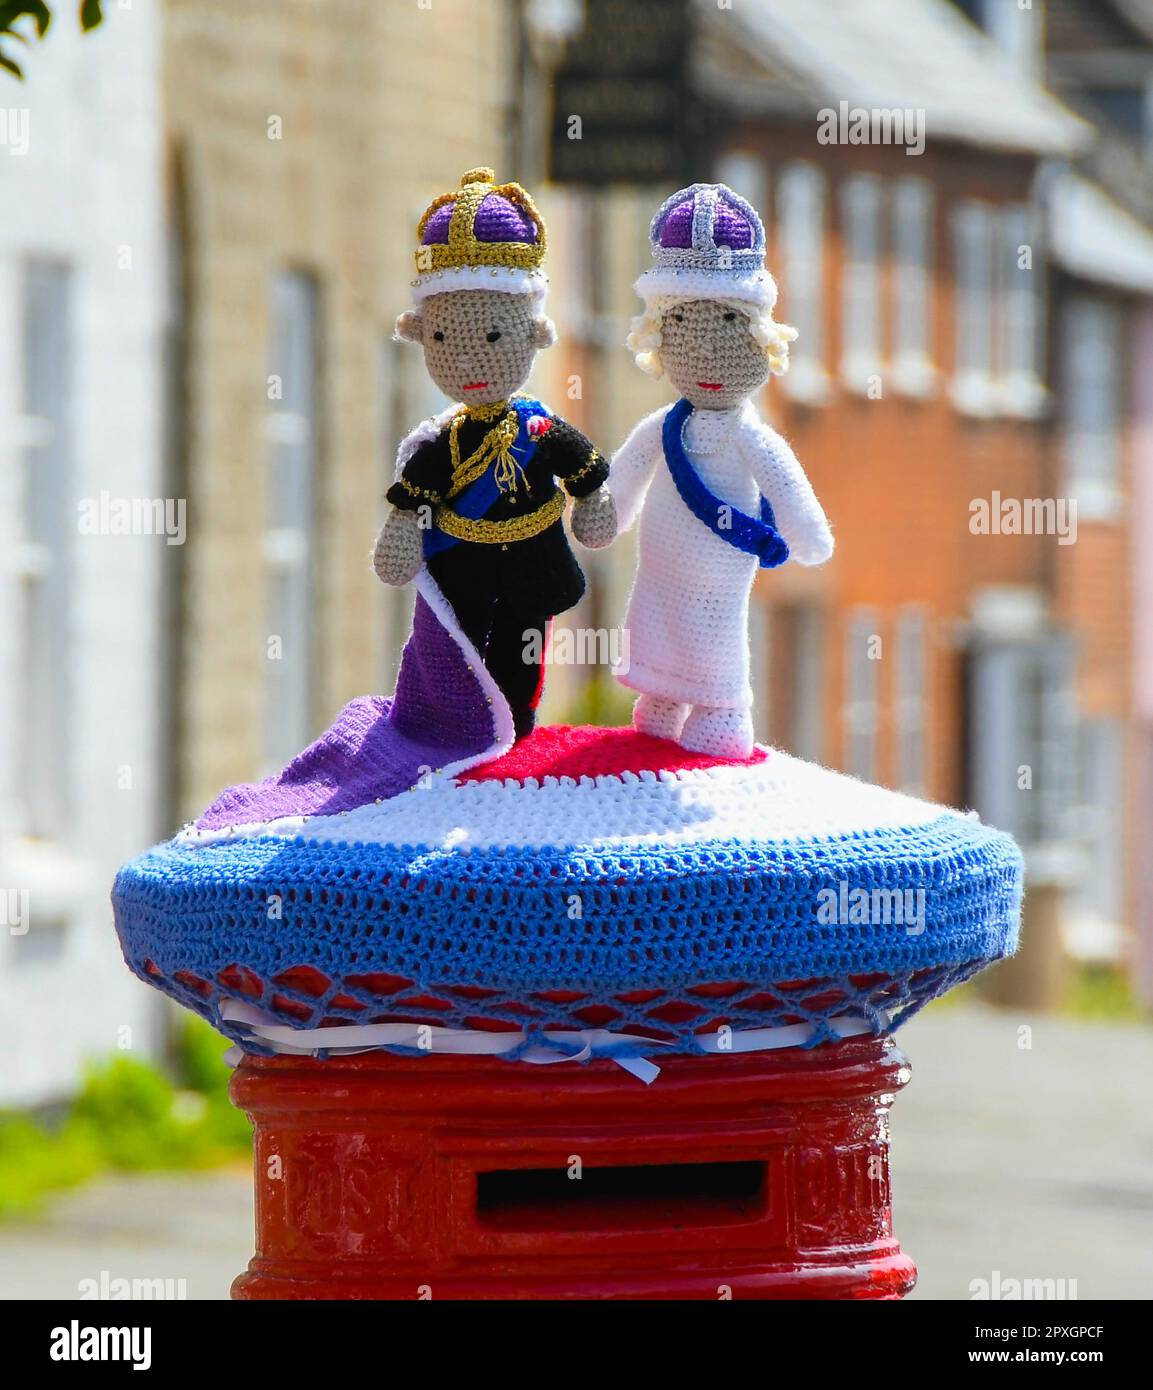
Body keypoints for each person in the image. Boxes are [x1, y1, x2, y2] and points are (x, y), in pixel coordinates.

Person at [609, 181, 834, 758]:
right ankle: (661, 697)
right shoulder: (665, 427)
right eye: (684, 331)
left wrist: (806, 537)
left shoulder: (748, 436)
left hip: (719, 565)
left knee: (715, 631)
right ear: (661, 338)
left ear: (763, 339)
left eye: (731, 329)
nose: (706, 355)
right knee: (658, 623)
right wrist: (608, 514)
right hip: (659, 568)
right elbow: (628, 473)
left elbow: (786, 483)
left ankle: (723, 709)